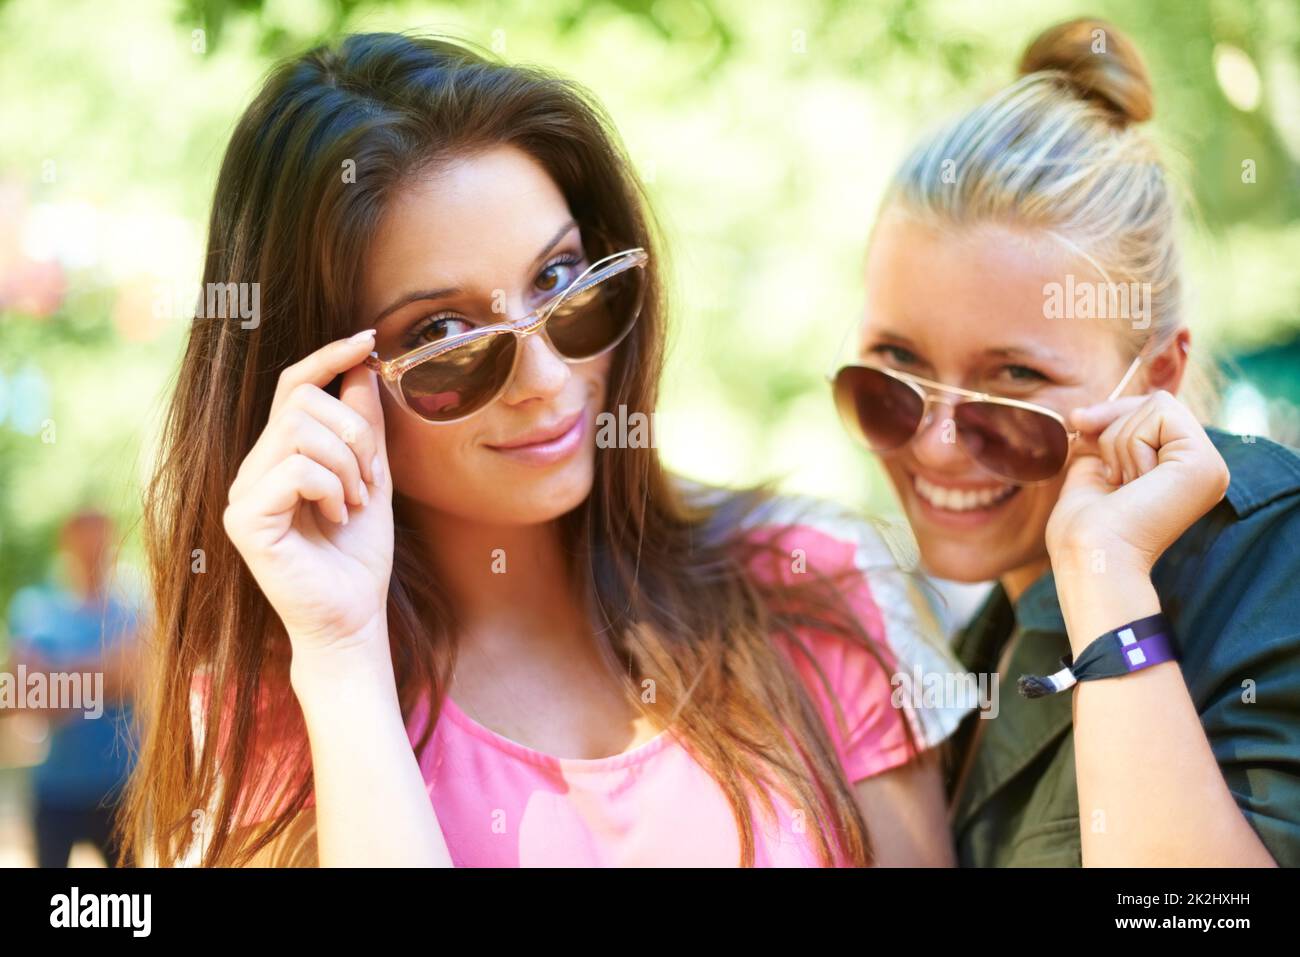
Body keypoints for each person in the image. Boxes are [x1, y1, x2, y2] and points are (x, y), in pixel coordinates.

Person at [119, 32, 974, 868]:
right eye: (444, 332)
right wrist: (346, 665)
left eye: (560, 279)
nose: (547, 374)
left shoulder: (814, 582)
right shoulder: (266, 711)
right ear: (317, 385)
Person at [830, 17, 1300, 865]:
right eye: (894, 370)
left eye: (1014, 382)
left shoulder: (1270, 553)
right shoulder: (983, 637)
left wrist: (1106, 582)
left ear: (1154, 376)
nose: (936, 446)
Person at [4, 509, 140, 867]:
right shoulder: (35, 608)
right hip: (56, 789)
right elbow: (24, 694)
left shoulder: (135, 609)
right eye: (84, 539)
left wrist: (57, 673)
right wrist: (106, 671)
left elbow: (133, 677)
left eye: (101, 540)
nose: (93, 550)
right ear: (67, 543)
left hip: (120, 788)